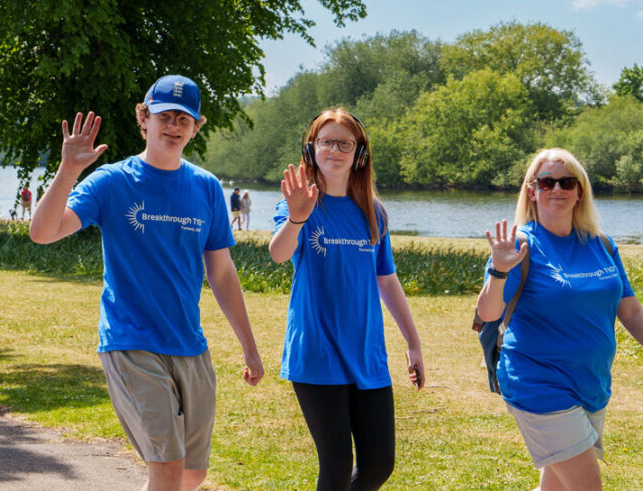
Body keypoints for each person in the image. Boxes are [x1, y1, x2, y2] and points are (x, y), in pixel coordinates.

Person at [29, 74, 264, 491]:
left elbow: (222, 274)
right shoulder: (113, 182)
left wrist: (249, 346)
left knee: (193, 473)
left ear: (195, 126)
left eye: (183, 118)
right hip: (131, 342)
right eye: (163, 116)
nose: (172, 126)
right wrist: (68, 170)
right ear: (144, 118)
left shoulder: (206, 188)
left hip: (189, 344)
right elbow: (44, 232)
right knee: (168, 467)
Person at [476, 148, 643, 491]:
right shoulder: (521, 245)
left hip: (590, 385)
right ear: (532, 191)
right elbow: (488, 313)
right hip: (539, 385)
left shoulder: (601, 243)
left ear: (580, 191)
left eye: (567, 181)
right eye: (546, 182)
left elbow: (631, 312)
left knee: (556, 487)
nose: (557, 189)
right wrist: (499, 270)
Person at [269, 107, 425, 490]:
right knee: (337, 465)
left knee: (378, 466)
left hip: (367, 355)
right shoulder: (298, 206)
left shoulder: (375, 213)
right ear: (311, 149)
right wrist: (296, 218)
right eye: (326, 142)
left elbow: (386, 280)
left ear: (360, 154)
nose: (335, 151)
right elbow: (279, 253)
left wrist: (414, 342)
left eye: (345, 143)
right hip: (317, 354)